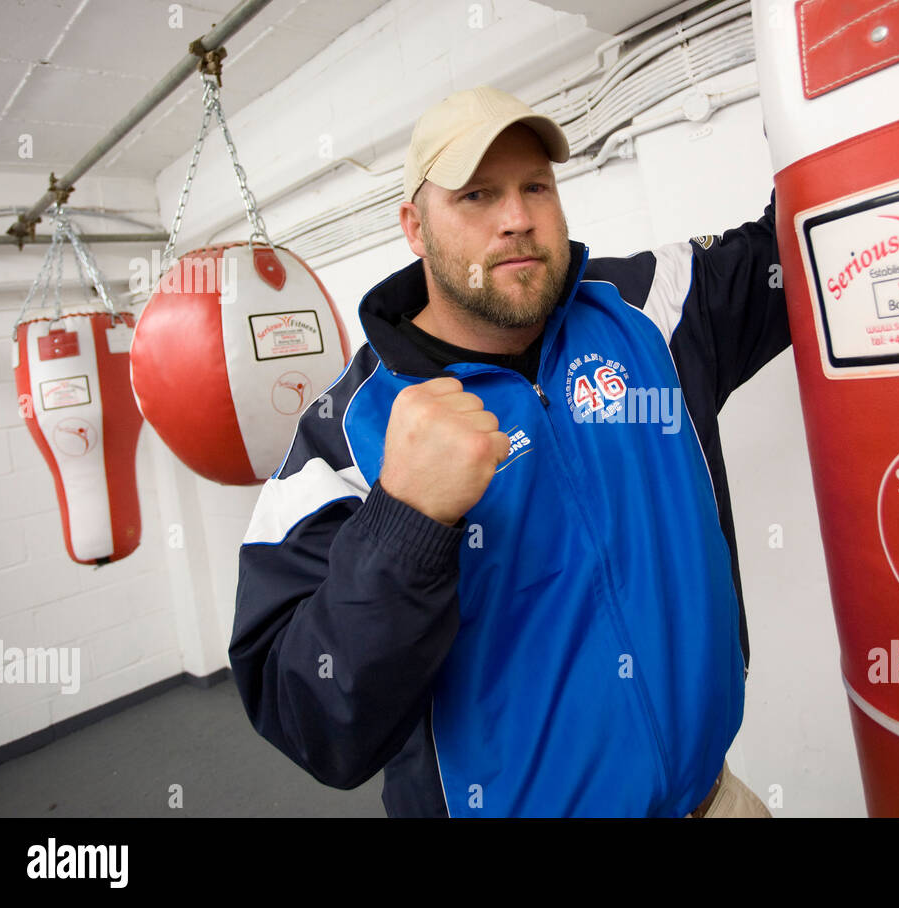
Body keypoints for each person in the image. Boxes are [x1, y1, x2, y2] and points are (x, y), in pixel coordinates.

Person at [229, 85, 789, 818]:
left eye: (535, 188)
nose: (518, 220)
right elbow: (310, 717)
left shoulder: (651, 312)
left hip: (714, 800)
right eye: (478, 195)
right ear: (415, 227)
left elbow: (794, 244)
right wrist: (403, 523)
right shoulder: (343, 440)